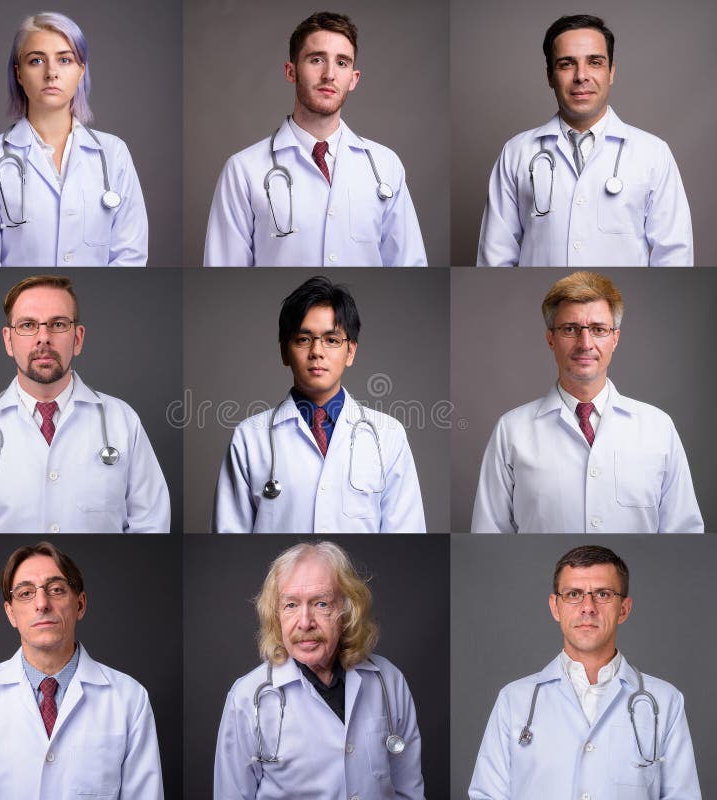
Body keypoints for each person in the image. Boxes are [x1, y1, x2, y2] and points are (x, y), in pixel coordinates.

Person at [0, 274, 170, 533]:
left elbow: (151, 524)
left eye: (58, 324)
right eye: (27, 325)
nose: (43, 337)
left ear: (78, 338)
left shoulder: (123, 421)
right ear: (8, 340)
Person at [471, 271, 702, 533]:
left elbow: (684, 529)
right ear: (550, 339)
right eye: (570, 329)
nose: (585, 343)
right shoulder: (511, 430)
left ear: (615, 338)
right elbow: (488, 530)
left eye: (598, 329)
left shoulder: (658, 427)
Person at [469, 545, 701, 798]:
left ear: (623, 609)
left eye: (602, 594)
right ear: (555, 607)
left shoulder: (665, 701)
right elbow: (487, 795)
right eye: (573, 594)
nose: (588, 607)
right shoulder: (513, 700)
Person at [0, 541, 164, 798]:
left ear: (80, 604)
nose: (42, 604)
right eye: (25, 593)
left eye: (56, 589)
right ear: (10, 613)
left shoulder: (130, 699)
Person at [204, 12, 426, 267]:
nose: (329, 74)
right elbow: (224, 267)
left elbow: (409, 263)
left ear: (353, 79)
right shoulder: (243, 170)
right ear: (291, 71)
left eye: (342, 63)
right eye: (317, 59)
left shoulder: (386, 166)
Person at [212, 275, 426, 532]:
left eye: (332, 340)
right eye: (303, 339)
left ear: (351, 352)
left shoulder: (389, 436)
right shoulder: (248, 438)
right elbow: (228, 532)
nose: (317, 351)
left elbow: (406, 531)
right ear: (284, 352)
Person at [477, 14, 693, 267]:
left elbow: (674, 256)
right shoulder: (516, 152)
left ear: (611, 72)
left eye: (595, 62)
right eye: (567, 64)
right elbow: (495, 256)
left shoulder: (654, 153)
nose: (581, 76)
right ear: (549, 76)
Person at [215, 541, 425, 798]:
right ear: (275, 614)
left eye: (321, 604)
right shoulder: (247, 697)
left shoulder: (388, 680)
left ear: (348, 610)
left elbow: (409, 790)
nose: (305, 622)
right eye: (291, 605)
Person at [0, 12, 148, 266]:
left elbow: (130, 256)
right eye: (36, 60)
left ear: (81, 70)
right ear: (18, 73)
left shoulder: (114, 154)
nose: (51, 73)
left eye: (65, 60)